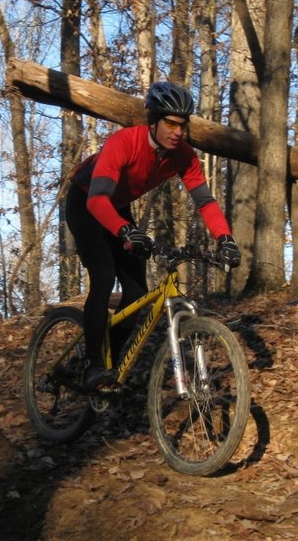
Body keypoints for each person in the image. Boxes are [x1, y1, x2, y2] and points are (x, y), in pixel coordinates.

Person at [65, 81, 241, 390]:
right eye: (171, 123)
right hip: (86, 203)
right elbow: (97, 200)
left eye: (182, 125)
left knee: (136, 293)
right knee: (104, 277)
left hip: (118, 209)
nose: (177, 131)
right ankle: (93, 365)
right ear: (154, 120)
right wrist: (126, 230)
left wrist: (225, 239)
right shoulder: (124, 142)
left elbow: (205, 201)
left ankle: (108, 365)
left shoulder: (183, 156)